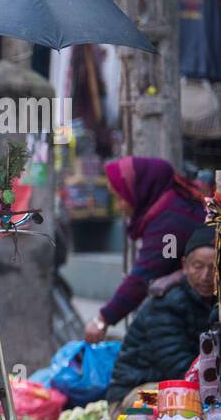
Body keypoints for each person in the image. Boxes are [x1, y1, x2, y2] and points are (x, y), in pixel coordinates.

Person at [86, 157, 205, 342]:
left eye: (120, 197)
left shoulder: (170, 222)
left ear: (140, 189)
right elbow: (163, 263)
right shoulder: (173, 206)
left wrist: (102, 320)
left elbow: (145, 275)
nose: (119, 206)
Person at [107, 227, 218, 407]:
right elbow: (182, 369)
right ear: (185, 266)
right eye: (198, 267)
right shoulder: (165, 305)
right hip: (134, 395)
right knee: (180, 402)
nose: (206, 276)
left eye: (214, 268)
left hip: (184, 388)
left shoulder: (213, 302)